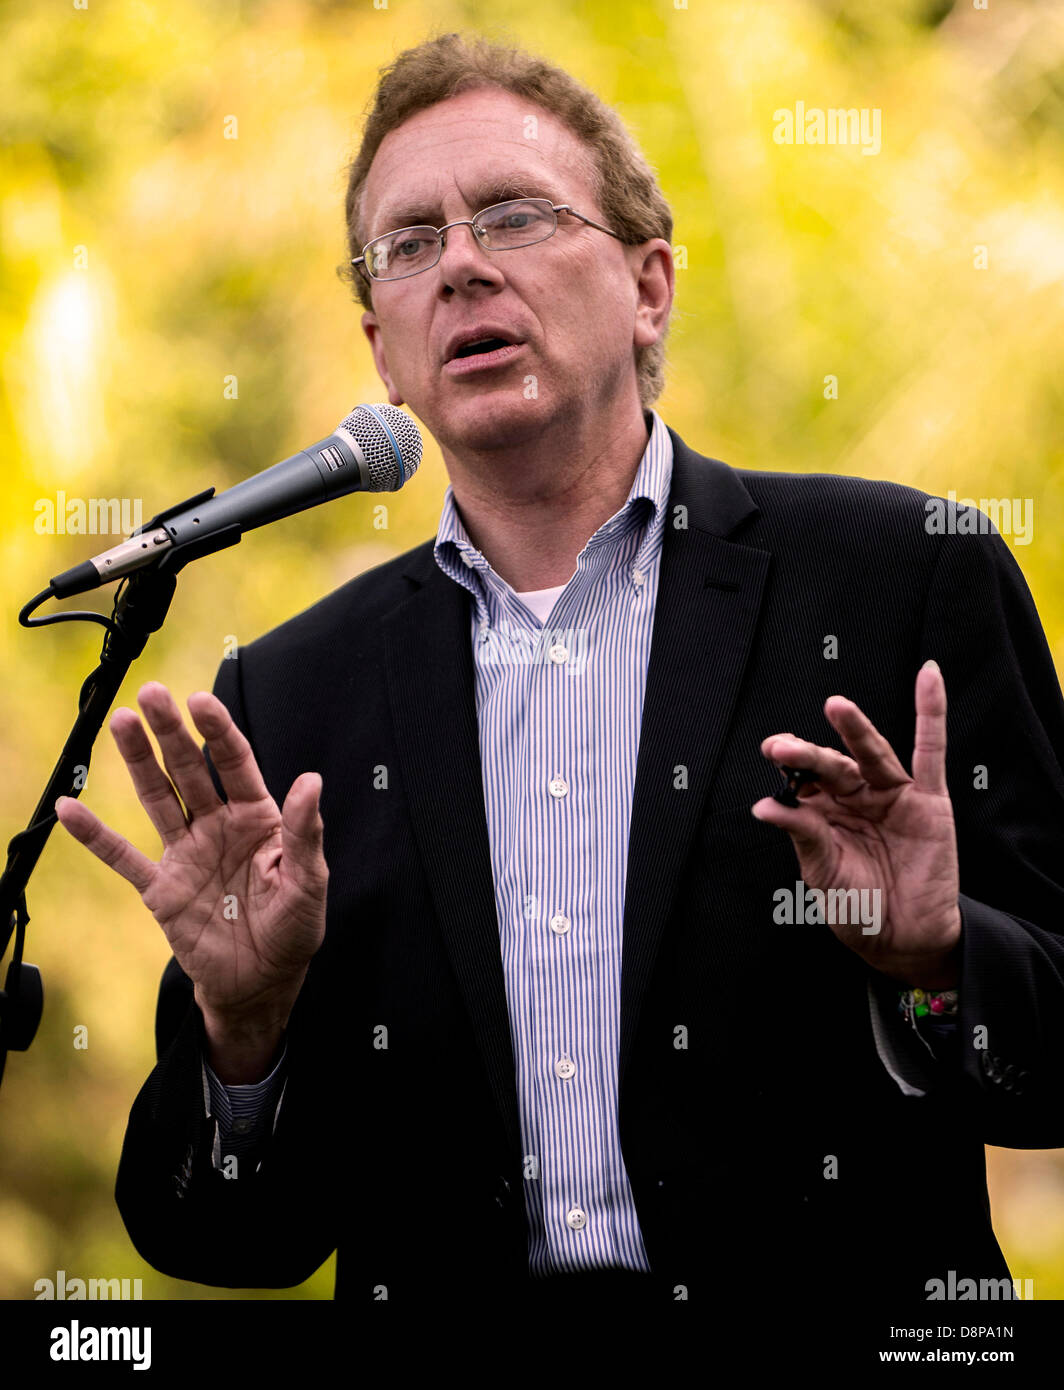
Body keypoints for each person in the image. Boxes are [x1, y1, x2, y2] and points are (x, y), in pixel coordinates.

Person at [55, 32, 1064, 1310]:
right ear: (383, 348)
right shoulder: (291, 699)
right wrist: (243, 1037)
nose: (459, 264)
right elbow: (227, 1244)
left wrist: (931, 961)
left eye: (513, 217)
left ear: (648, 286)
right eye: (408, 245)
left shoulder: (900, 579)